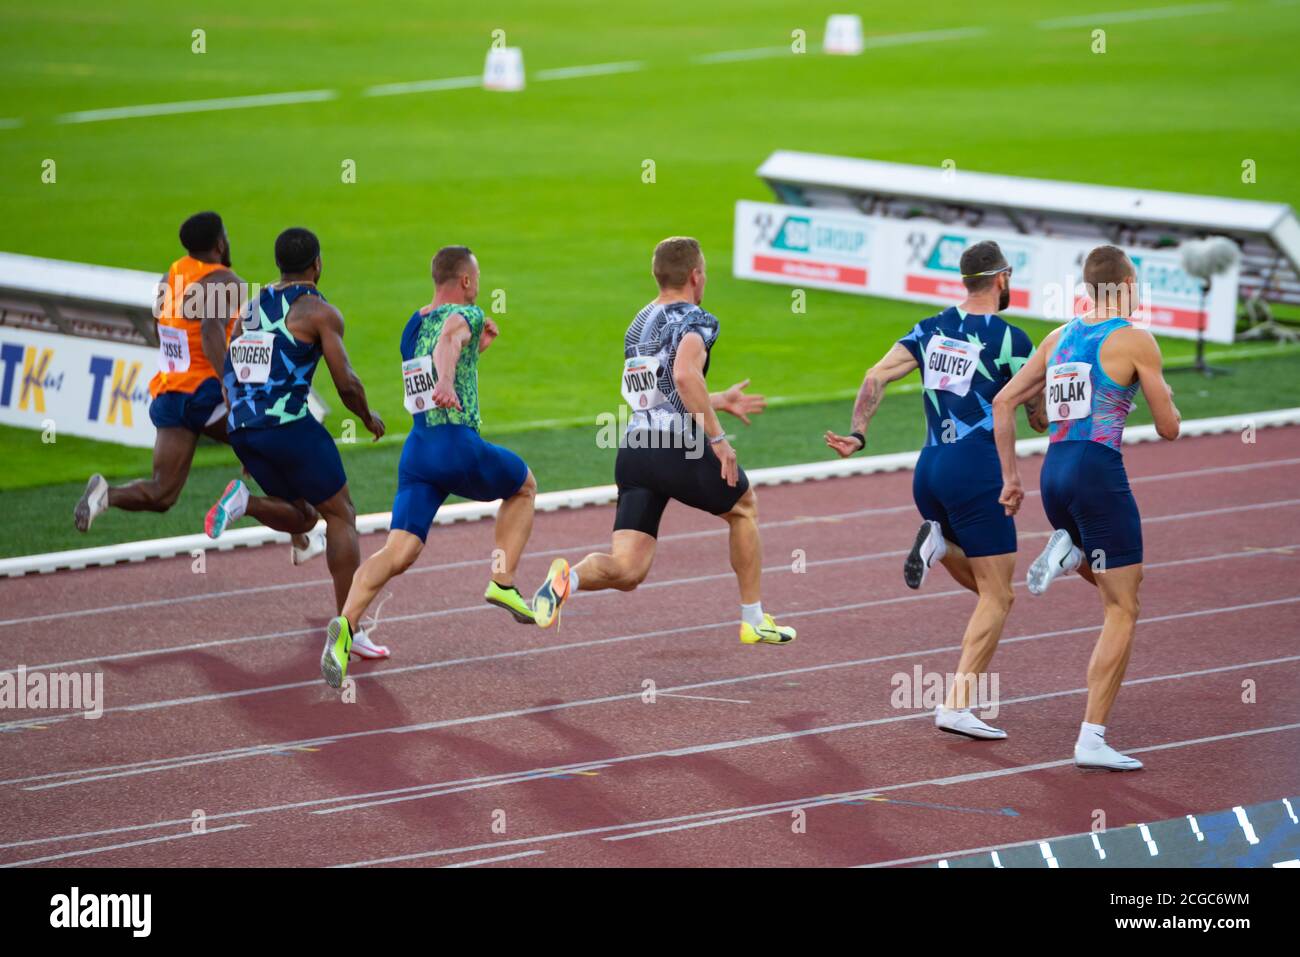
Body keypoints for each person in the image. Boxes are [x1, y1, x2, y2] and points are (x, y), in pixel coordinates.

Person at [826, 240, 1046, 740]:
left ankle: (940, 544)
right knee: (998, 595)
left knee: (995, 589)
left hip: (929, 471)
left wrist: (859, 433)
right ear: (1001, 279)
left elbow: (875, 375)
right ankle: (956, 705)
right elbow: (1037, 420)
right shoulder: (1012, 341)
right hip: (977, 472)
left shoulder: (931, 329)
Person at [528, 236, 793, 646]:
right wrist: (719, 440)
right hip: (674, 447)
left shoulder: (639, 321)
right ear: (695, 276)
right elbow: (686, 376)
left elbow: (662, 389)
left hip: (634, 449)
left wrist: (718, 400)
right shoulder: (698, 319)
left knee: (628, 569)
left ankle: (569, 578)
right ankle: (753, 619)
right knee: (743, 508)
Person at [993, 244, 1180, 770]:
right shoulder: (1135, 339)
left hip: (1055, 474)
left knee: (1115, 582)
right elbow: (1169, 429)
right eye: (1136, 282)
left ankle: (1071, 552)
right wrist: (1162, 394)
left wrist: (1011, 478)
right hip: (1098, 472)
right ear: (1122, 285)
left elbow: (1004, 402)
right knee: (1123, 607)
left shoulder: (1059, 337)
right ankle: (1091, 739)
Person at [319, 246, 538, 689]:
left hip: (418, 453)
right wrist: (446, 375)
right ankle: (503, 579)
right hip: (455, 444)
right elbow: (449, 341)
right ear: (465, 282)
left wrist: (474, 354)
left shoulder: (412, 323)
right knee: (523, 487)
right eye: (476, 279)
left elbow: (444, 347)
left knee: (400, 551)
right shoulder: (467, 314)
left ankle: (345, 626)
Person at [73, 211, 325, 564]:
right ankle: (302, 531)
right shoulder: (226, 281)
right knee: (270, 450)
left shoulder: (169, 276)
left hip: (170, 393)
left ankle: (107, 495)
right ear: (220, 242)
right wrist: (232, 388)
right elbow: (209, 331)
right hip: (205, 394)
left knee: (163, 493)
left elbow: (160, 325)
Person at [204, 227, 386, 660]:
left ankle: (243, 502)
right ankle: (349, 627)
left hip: (244, 427)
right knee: (341, 515)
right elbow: (346, 383)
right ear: (317, 264)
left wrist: (243, 431)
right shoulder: (320, 312)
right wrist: (366, 415)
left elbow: (231, 371)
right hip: (288, 427)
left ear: (279, 265)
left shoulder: (250, 309)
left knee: (304, 518)